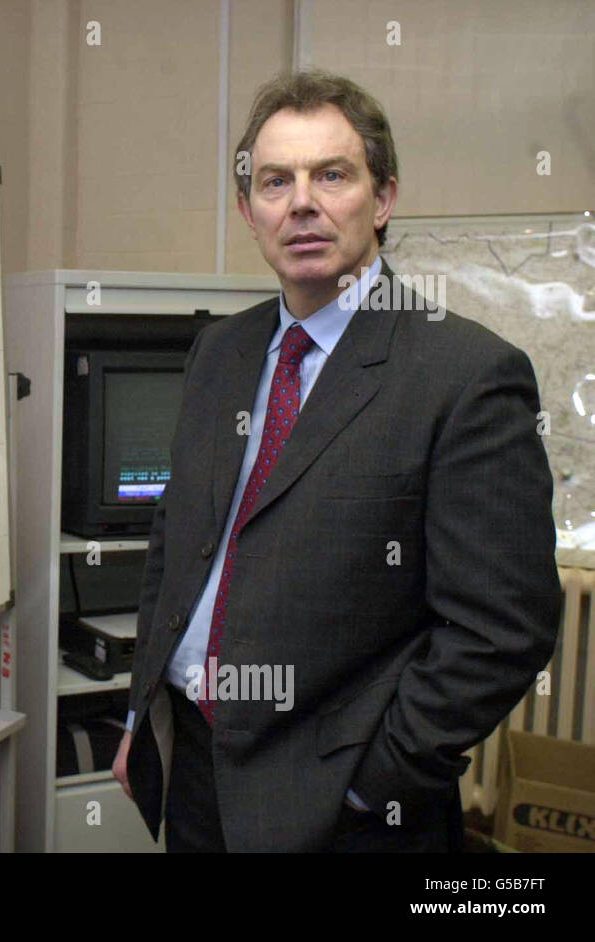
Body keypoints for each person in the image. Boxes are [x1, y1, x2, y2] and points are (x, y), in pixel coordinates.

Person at [111, 70, 561, 852]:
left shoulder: (463, 375)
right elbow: (175, 548)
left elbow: (503, 629)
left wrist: (369, 782)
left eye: (332, 175)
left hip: (341, 806)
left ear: (382, 200)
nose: (302, 203)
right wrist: (139, 715)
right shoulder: (220, 351)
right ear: (250, 211)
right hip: (192, 766)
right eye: (275, 181)